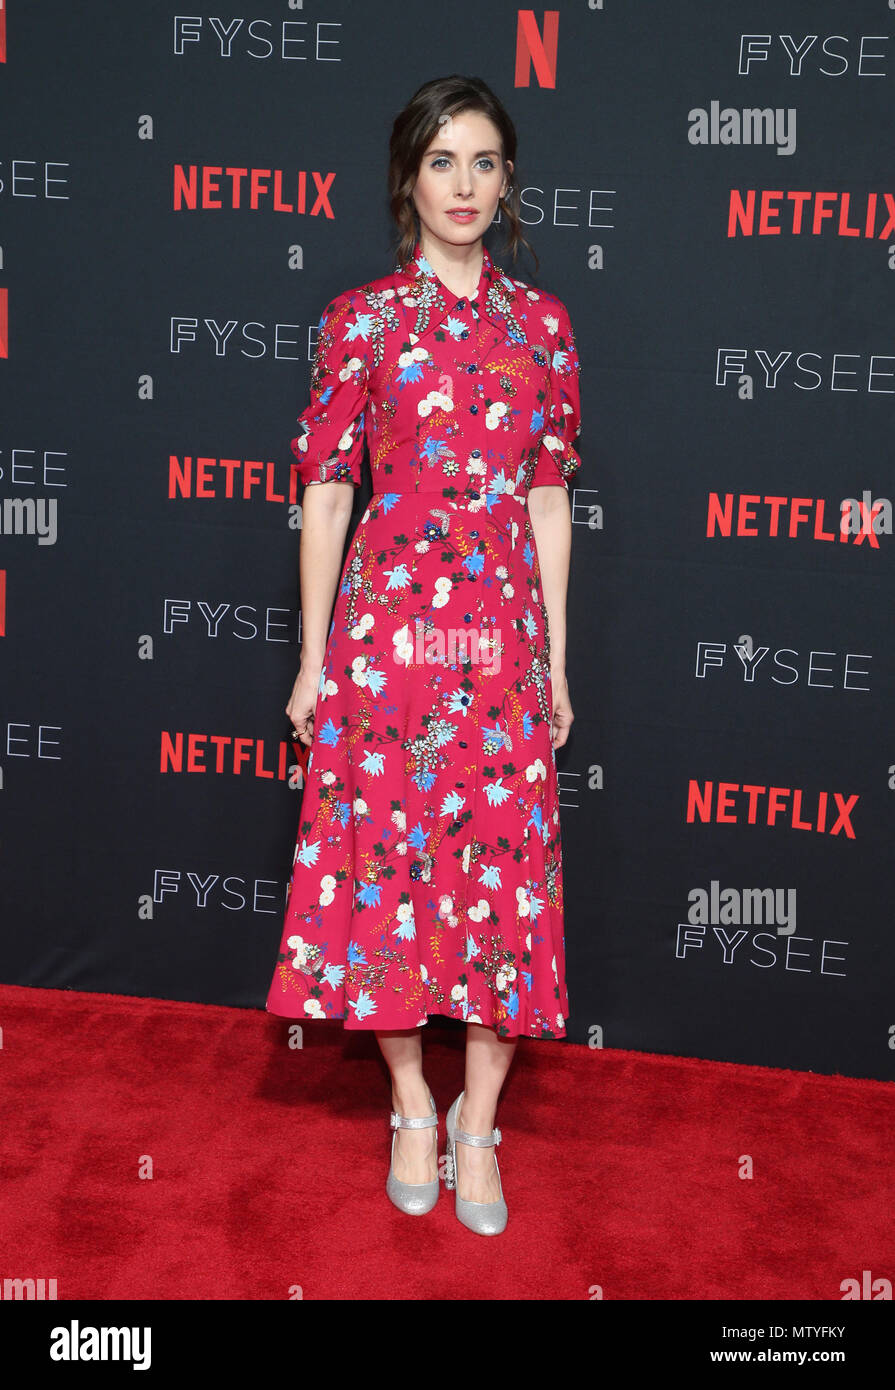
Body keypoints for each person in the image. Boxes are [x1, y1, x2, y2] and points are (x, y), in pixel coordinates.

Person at [265, 74, 582, 1236]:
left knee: (503, 891)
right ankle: (410, 1098)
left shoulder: (541, 326)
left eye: (484, 161)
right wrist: (312, 662)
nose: (463, 184)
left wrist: (551, 661)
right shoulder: (362, 318)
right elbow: (328, 490)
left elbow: (549, 499)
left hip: (498, 650)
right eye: (442, 160)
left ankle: (479, 1123)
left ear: (509, 181)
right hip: (386, 652)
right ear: (407, 177)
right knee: (384, 884)